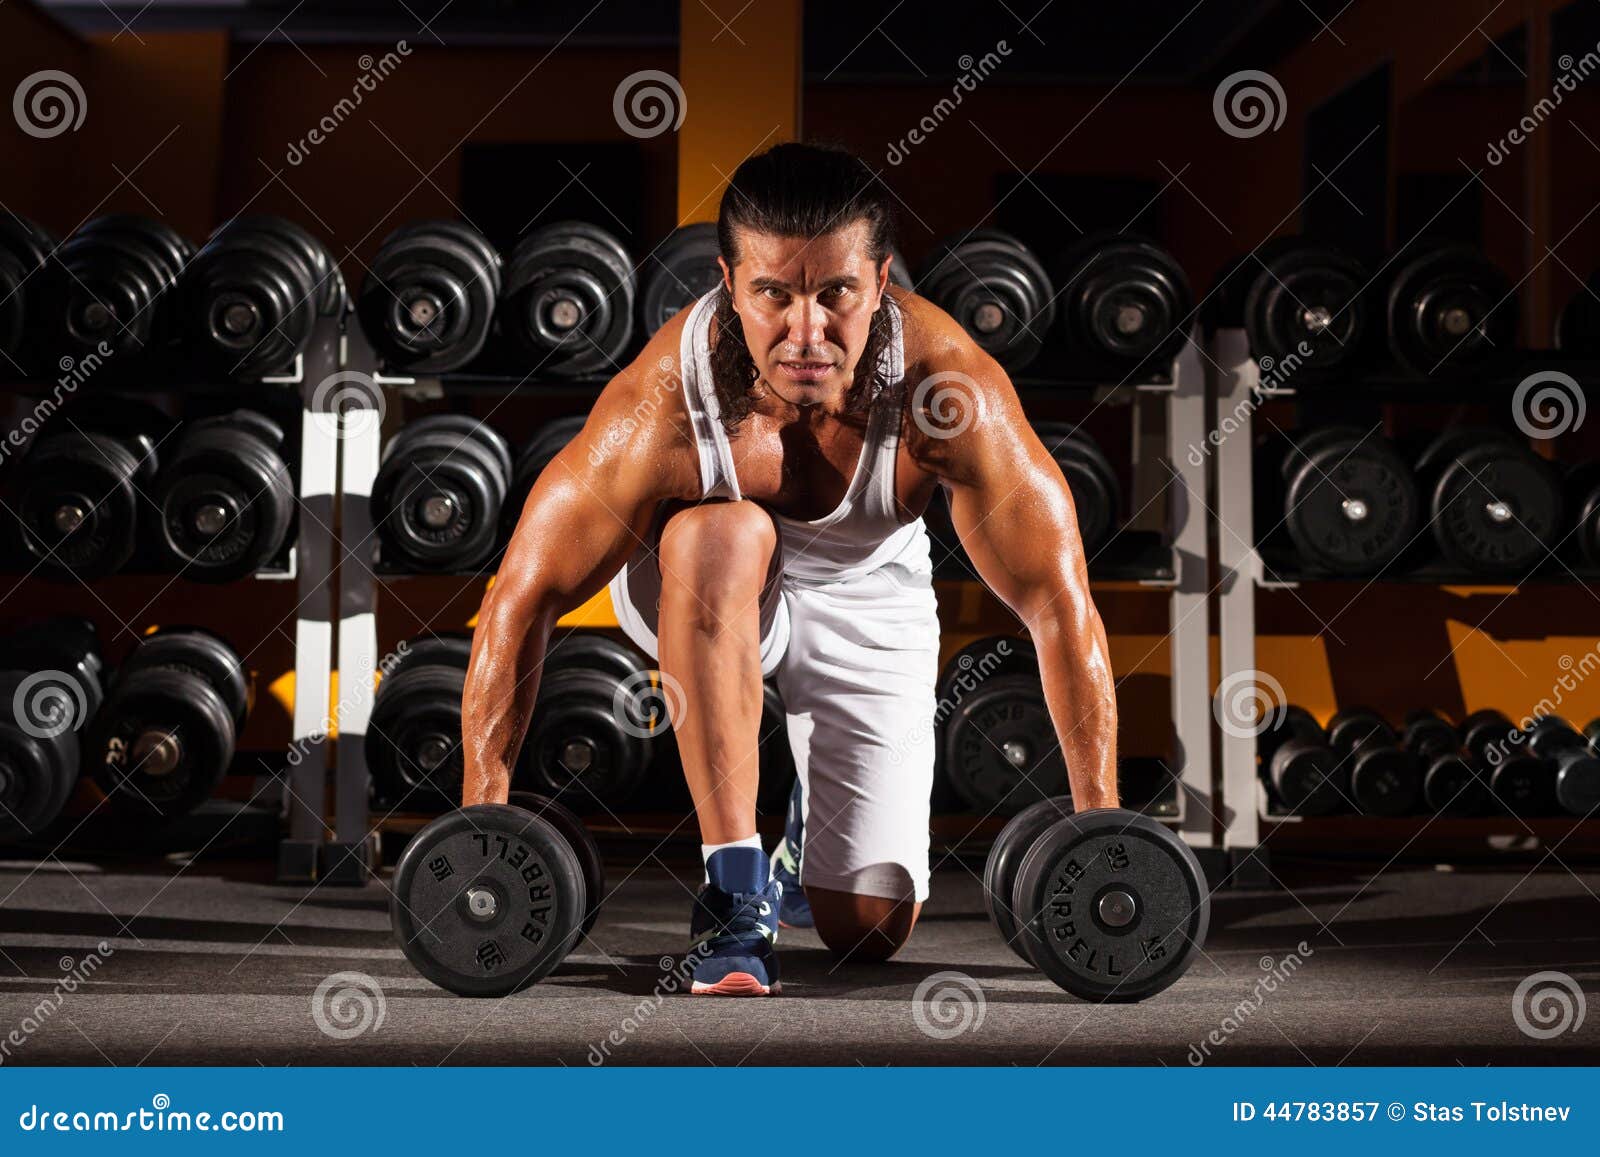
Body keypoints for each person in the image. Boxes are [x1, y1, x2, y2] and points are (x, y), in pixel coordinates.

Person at [461, 141, 1117, 996]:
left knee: (868, 929)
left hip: (870, 590)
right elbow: (523, 594)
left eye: (835, 292)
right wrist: (483, 825)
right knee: (720, 534)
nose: (805, 331)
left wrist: (1103, 834)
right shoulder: (663, 400)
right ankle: (735, 898)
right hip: (701, 583)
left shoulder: (951, 392)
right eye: (774, 293)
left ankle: (807, 841)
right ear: (729, 283)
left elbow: (1058, 601)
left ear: (882, 283)